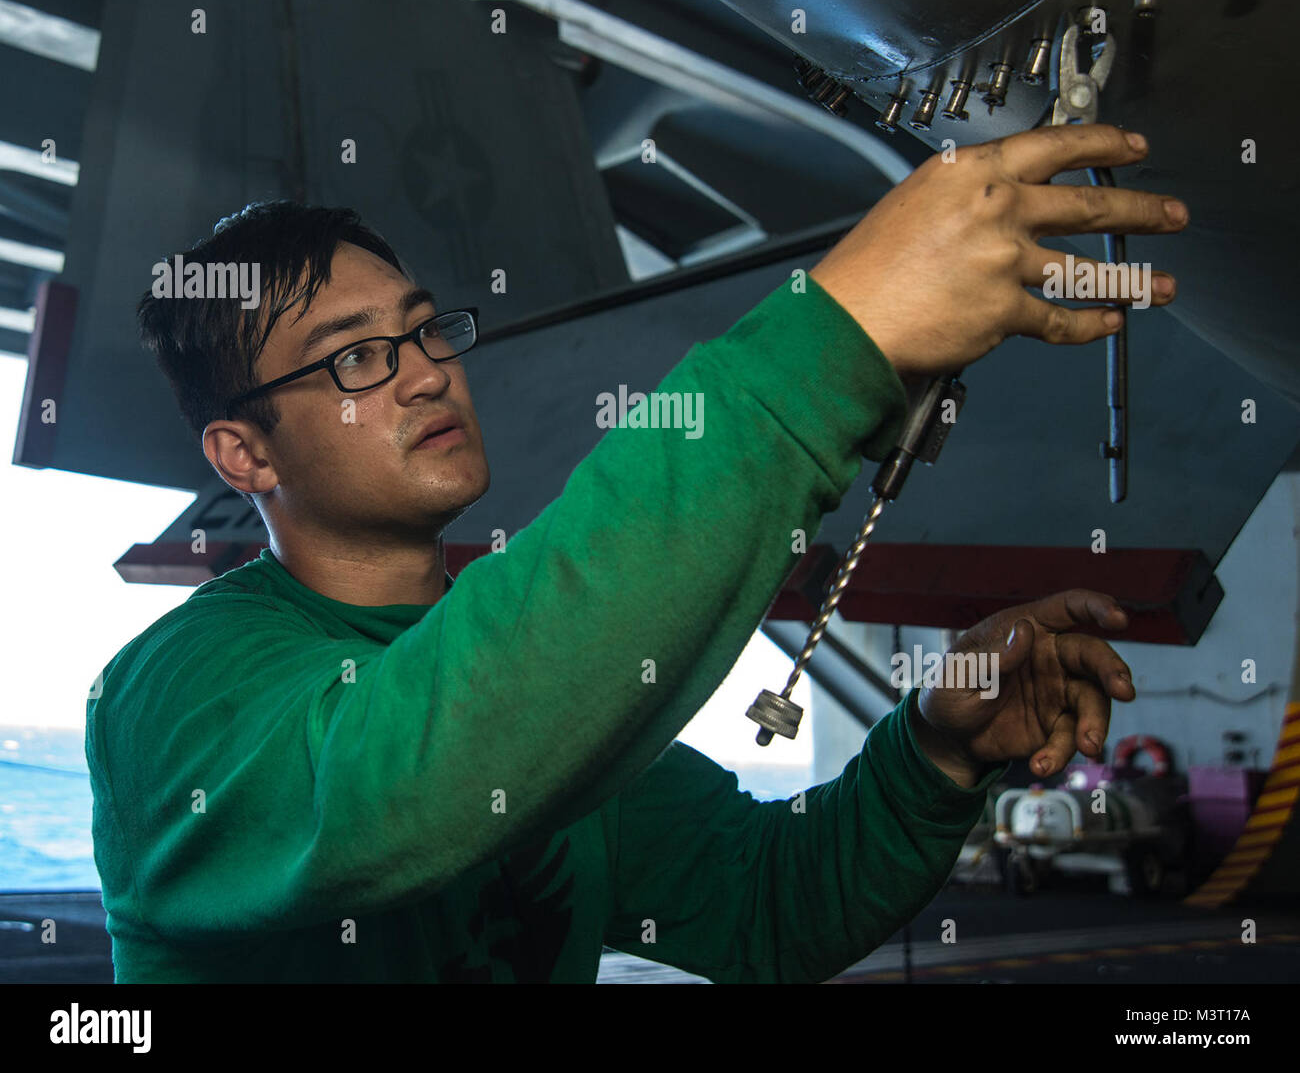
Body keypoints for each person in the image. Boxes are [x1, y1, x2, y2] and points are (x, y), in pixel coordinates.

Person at [87, 123, 1185, 982]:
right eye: (359, 358)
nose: (426, 371)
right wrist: (829, 338)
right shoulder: (173, 694)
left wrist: (935, 752)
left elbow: (770, 909)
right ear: (242, 452)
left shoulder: (549, 708)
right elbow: (411, 776)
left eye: (425, 330)